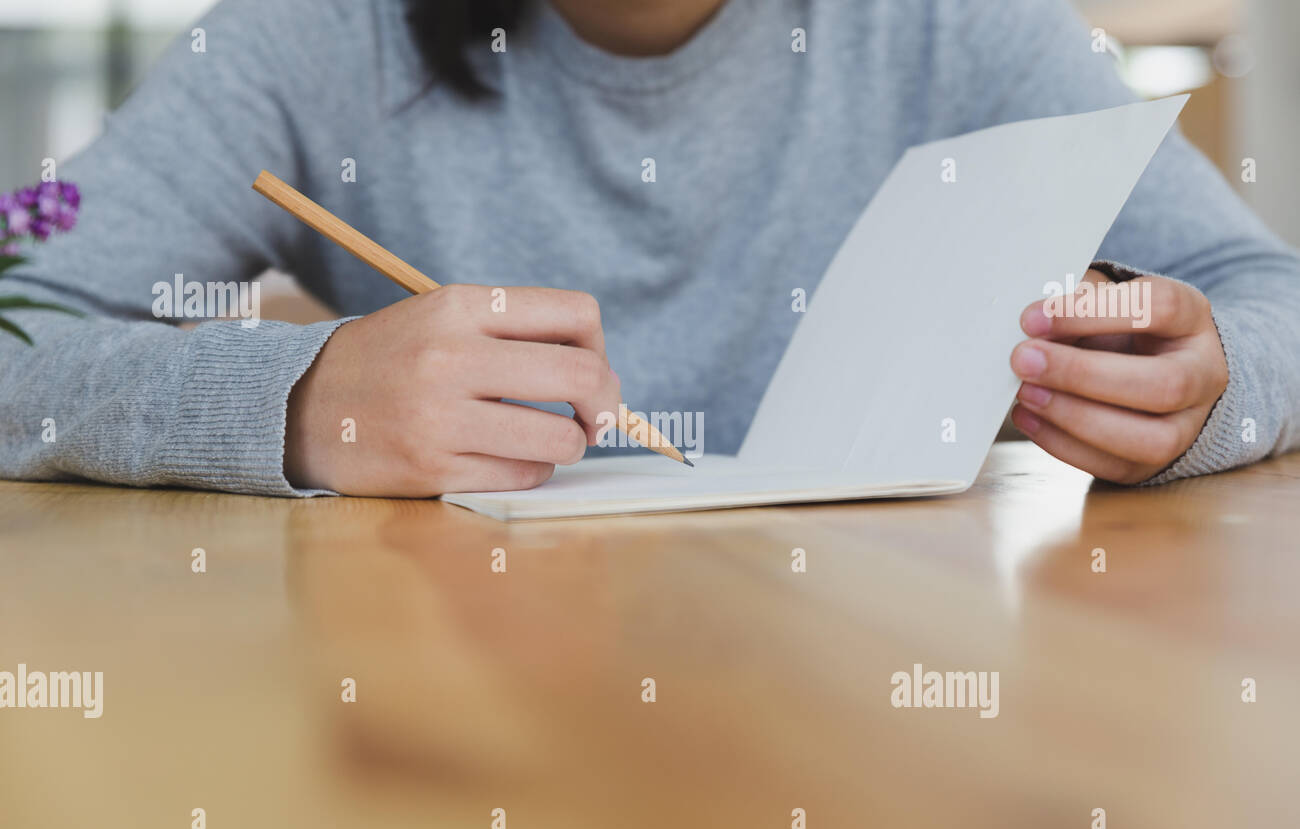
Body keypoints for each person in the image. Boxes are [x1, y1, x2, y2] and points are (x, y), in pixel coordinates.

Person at [1, 0, 1296, 496]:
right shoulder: (308, 40)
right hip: (450, 689)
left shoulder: (958, 24)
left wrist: (1208, 383)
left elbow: (1269, 298)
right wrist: (289, 401)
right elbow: (20, 334)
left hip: (864, 686)